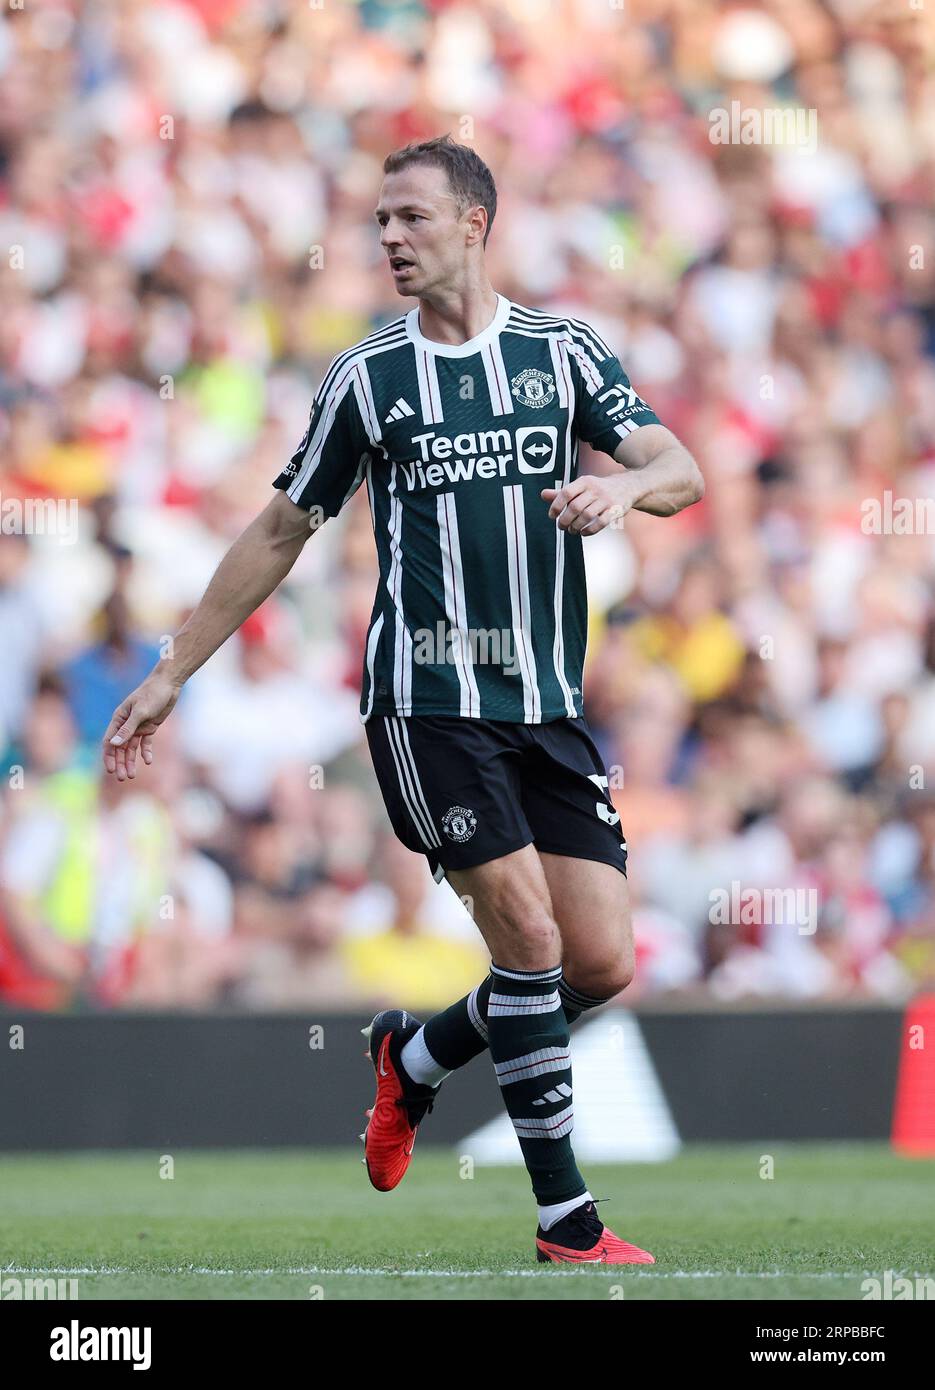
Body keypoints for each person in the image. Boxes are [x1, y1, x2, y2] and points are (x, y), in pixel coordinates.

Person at [102, 135, 703, 1265]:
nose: (387, 238)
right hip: (422, 701)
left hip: (543, 703)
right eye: (379, 220)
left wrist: (623, 487)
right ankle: (565, 1224)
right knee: (525, 939)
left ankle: (412, 1060)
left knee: (600, 964)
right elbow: (282, 526)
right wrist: (174, 666)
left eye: (410, 218)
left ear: (473, 223)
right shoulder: (367, 377)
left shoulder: (561, 351)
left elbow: (681, 467)